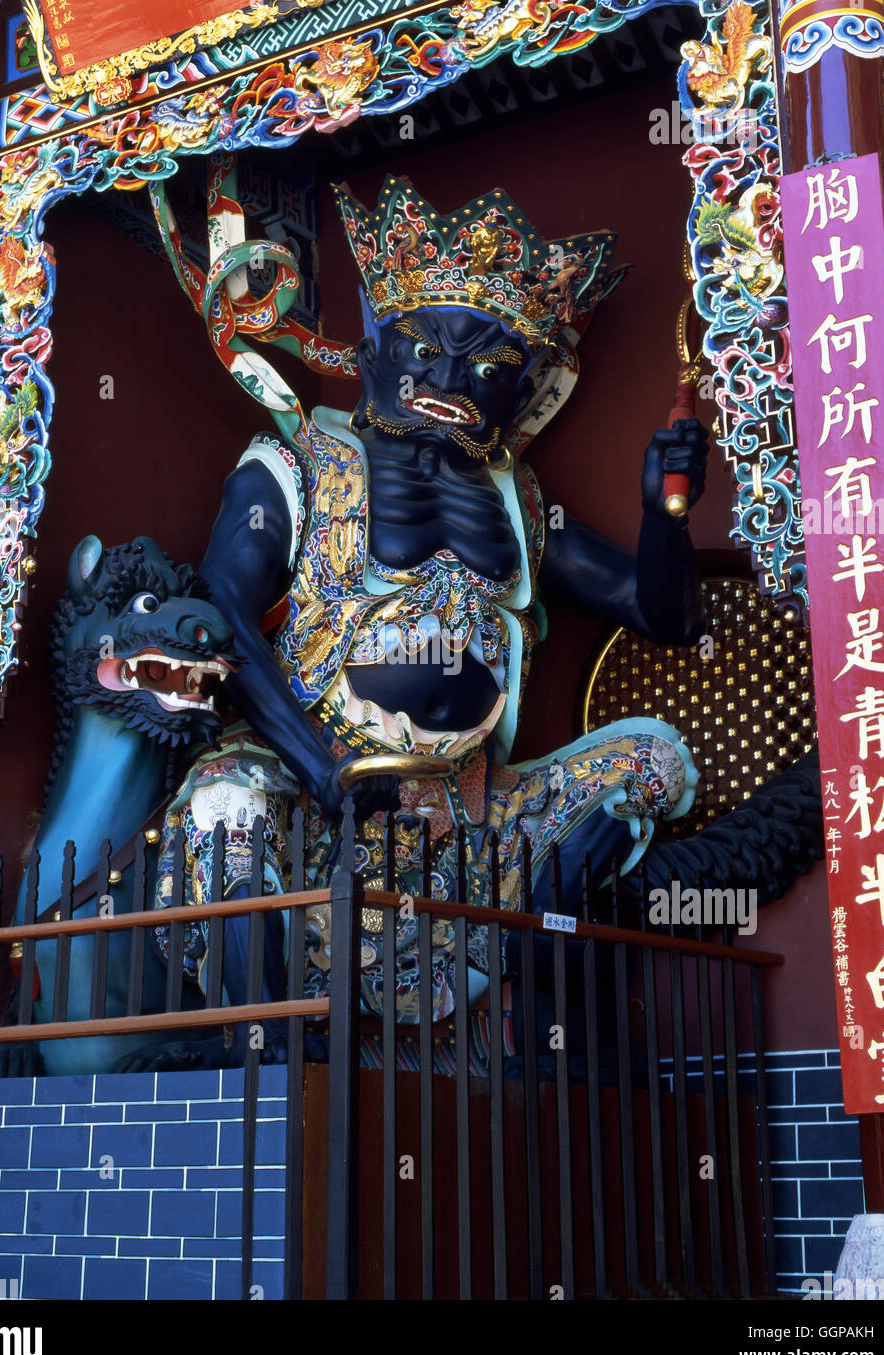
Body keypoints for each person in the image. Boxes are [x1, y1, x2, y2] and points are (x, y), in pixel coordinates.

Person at [160, 175, 708, 1033]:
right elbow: (218, 610)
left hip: (467, 809)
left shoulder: (521, 502)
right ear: (373, 349)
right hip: (311, 776)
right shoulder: (297, 461)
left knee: (649, 766)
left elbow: (666, 616)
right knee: (223, 807)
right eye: (425, 349)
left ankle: (545, 1016)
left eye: (488, 367)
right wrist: (316, 764)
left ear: (521, 390)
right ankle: (267, 1062)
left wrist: (663, 512)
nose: (451, 377)